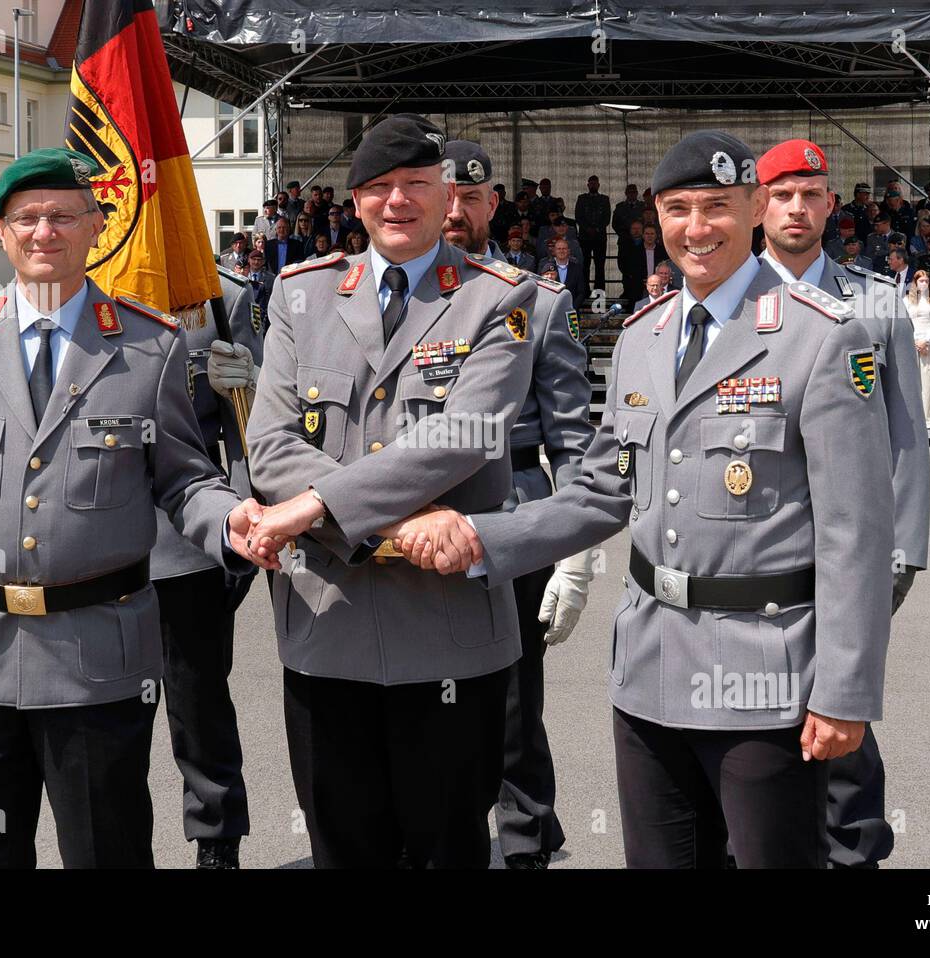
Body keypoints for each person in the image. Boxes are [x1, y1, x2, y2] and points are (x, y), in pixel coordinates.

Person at [380, 130, 895, 869]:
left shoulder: (822, 339)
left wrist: (844, 690)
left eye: (718, 206)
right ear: (654, 220)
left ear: (754, 209)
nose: (697, 227)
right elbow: (601, 490)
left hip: (766, 679)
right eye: (679, 209)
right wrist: (478, 534)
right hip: (651, 672)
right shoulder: (642, 339)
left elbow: (857, 533)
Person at [0, 148, 273, 869]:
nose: (44, 232)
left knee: (108, 852)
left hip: (98, 657)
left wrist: (232, 520)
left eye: (63, 216)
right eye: (26, 218)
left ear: (97, 226)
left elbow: (184, 481)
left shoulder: (149, 344)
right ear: (1, 233)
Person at [227, 114, 542, 869]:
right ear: (356, 201)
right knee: (344, 848)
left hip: (448, 634)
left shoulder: (500, 297)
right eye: (378, 188)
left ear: (449, 197)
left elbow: (464, 435)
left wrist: (314, 507)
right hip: (326, 629)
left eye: (415, 186)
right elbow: (269, 444)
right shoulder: (300, 296)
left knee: (448, 849)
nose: (396, 201)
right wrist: (391, 524)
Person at [757, 138, 930, 868]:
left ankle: (854, 847)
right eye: (784, 194)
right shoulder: (728, 298)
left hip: (853, 550)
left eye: (812, 193)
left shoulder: (876, 301)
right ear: (759, 206)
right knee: (760, 716)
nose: (799, 207)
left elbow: (905, 436)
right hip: (758, 552)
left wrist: (902, 552)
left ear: (832, 204)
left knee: (841, 696)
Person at [438, 139, 595, 869]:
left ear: (492, 204)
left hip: (510, 525)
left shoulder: (538, 298)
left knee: (510, 697)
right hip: (404, 531)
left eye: (469, 197)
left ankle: (527, 834)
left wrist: (578, 555)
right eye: (440, 194)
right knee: (418, 700)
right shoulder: (389, 299)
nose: (454, 210)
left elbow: (571, 439)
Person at [151, 261, 263, 869]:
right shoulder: (72, 287)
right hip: (87, 551)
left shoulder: (217, 296)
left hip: (186, 547)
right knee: (94, 722)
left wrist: (243, 532)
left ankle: (216, 838)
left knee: (197, 707)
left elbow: (249, 431)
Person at [904, 270, 930, 428]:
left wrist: (925, 341)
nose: (924, 283)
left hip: (929, 344)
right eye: (921, 281)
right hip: (911, 343)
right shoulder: (906, 300)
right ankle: (913, 418)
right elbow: (905, 322)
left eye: (926, 281)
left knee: (929, 382)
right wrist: (915, 341)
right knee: (912, 382)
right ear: (915, 282)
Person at [576, 174, 611, 291]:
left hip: (600, 237)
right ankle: (584, 291)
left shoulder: (604, 199)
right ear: (588, 185)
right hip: (584, 237)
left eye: (595, 183)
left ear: (598, 185)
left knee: (600, 266)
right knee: (584, 265)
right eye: (591, 183)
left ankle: (599, 292)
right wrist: (587, 229)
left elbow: (607, 218)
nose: (593, 185)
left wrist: (596, 229)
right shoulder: (582, 198)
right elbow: (578, 216)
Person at [549, 239, 587, 305]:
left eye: (564, 248)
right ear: (554, 251)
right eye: (559, 249)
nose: (561, 251)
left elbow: (582, 292)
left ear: (568, 251)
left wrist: (572, 308)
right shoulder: (547, 268)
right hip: (552, 310)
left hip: (572, 310)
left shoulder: (577, 268)